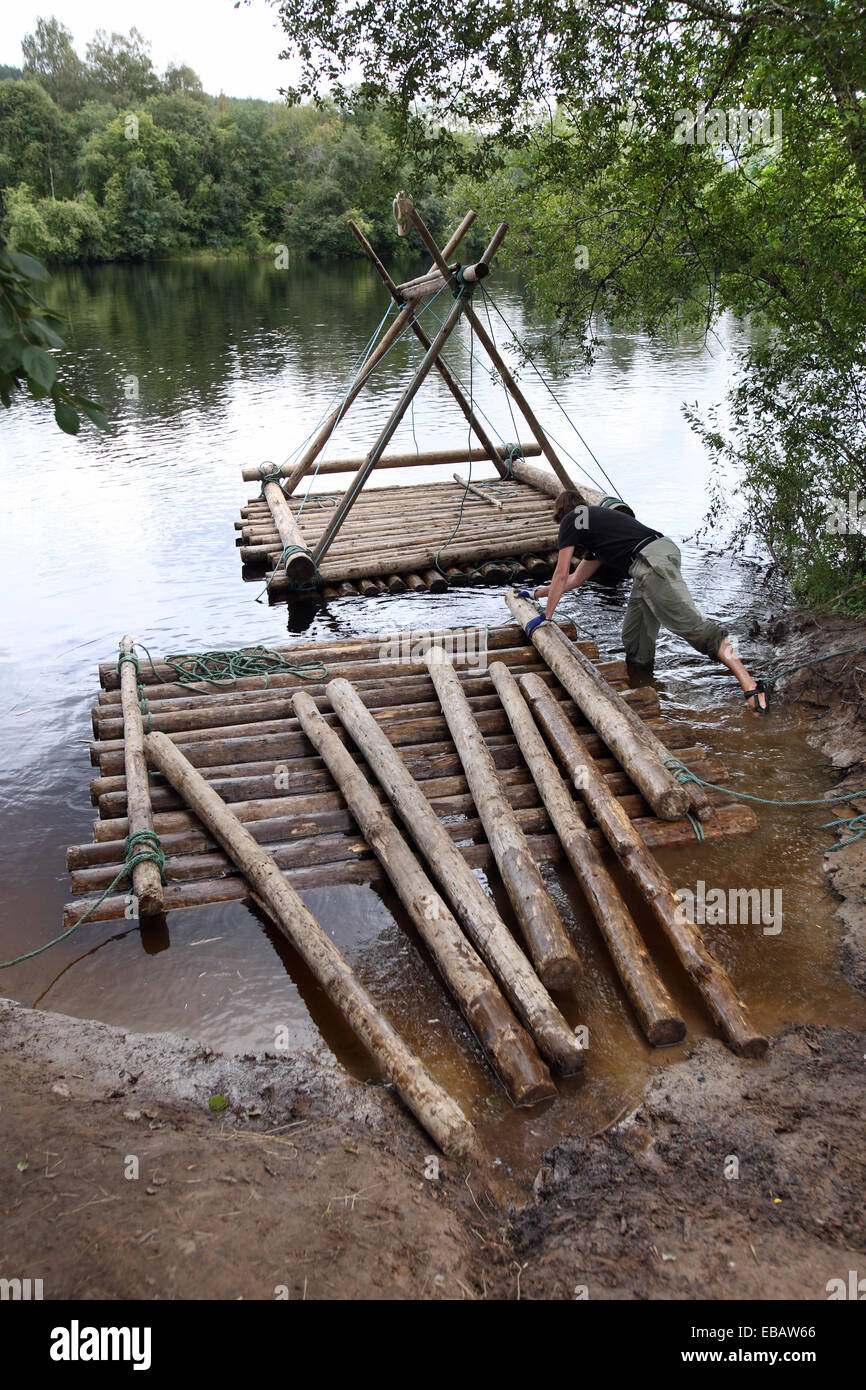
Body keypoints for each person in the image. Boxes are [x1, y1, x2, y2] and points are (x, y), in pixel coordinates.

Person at [525, 492, 770, 712]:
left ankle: (750, 684)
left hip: (649, 560)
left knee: (690, 625)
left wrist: (547, 615)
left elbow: (560, 572)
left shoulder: (573, 517)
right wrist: (536, 594)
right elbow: (574, 580)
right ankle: (645, 688)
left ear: (562, 513)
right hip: (651, 557)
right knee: (635, 637)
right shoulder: (596, 537)